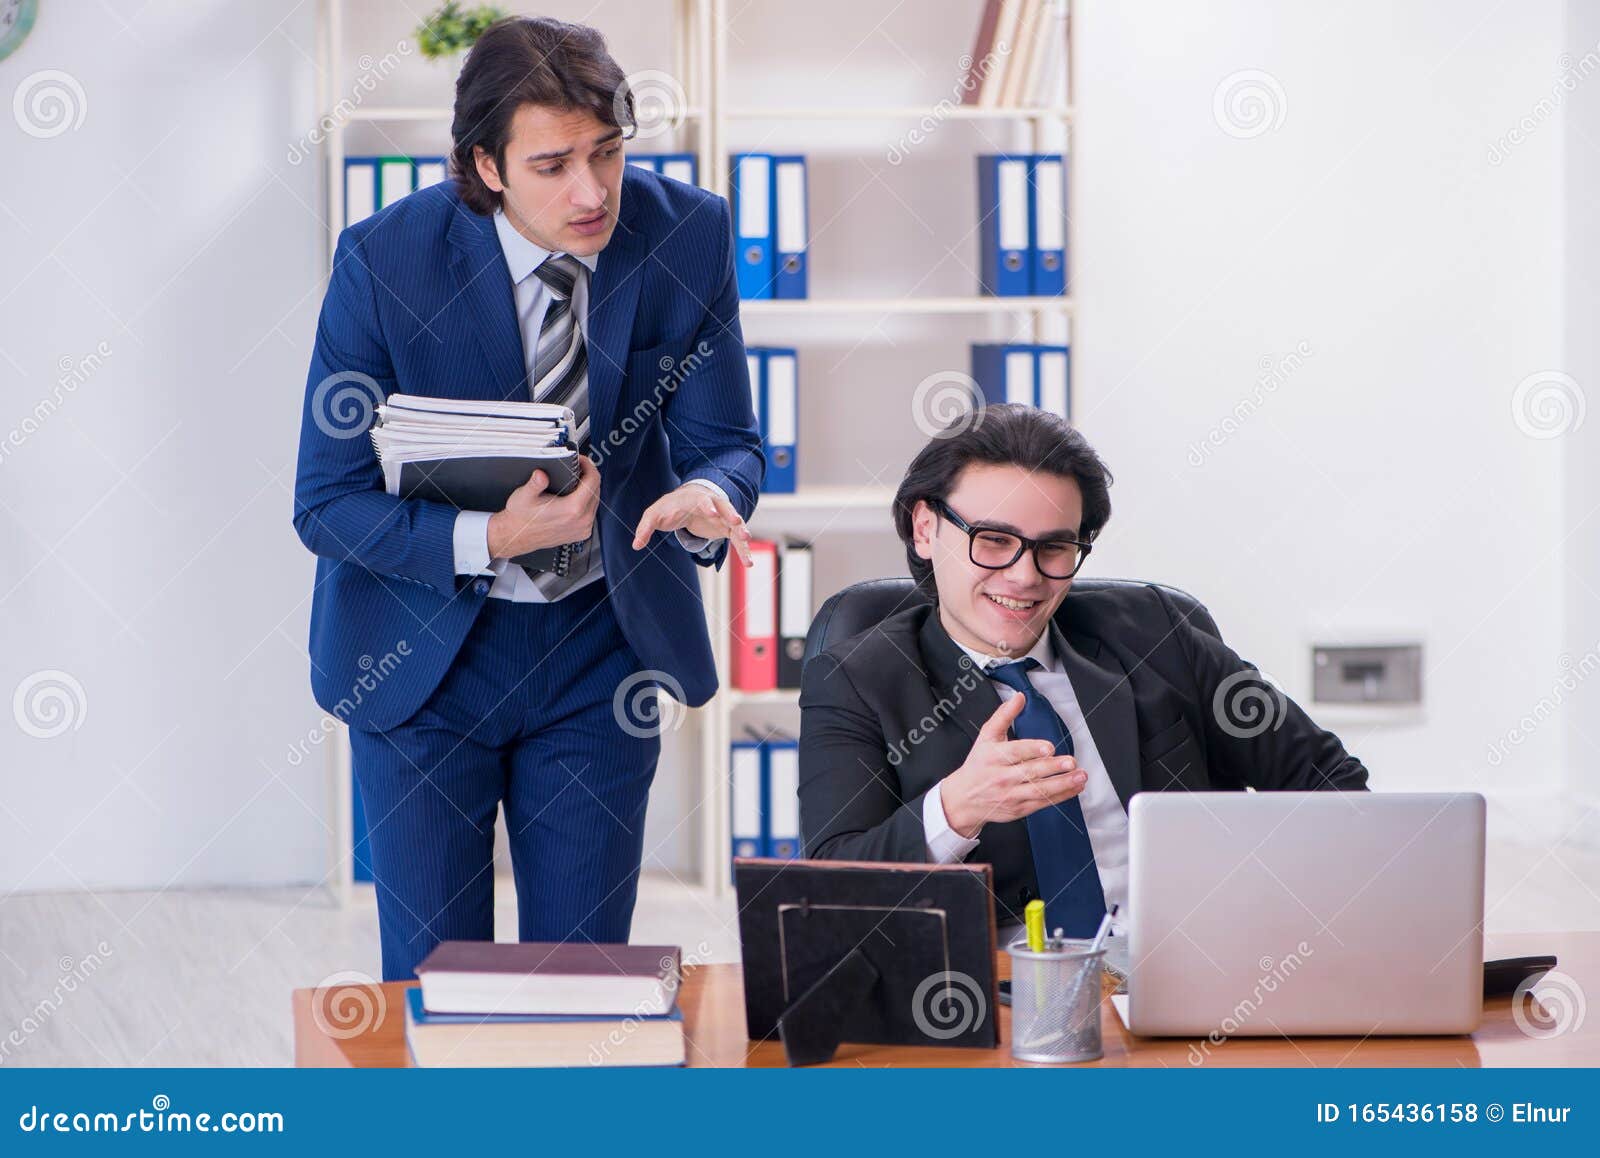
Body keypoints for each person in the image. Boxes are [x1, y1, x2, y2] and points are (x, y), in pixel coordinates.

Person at [292, 16, 763, 980]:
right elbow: (325, 502)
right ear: (487, 166)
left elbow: (728, 444)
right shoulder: (386, 261)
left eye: (608, 153)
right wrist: (490, 536)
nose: (591, 193)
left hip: (601, 651)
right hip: (425, 663)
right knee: (433, 985)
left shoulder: (688, 232)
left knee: (585, 984)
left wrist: (712, 496)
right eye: (552, 166)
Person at [798, 404, 1366, 940]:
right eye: (993, 541)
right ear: (925, 529)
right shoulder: (855, 679)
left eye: (1054, 547)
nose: (1024, 577)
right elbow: (831, 892)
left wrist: (1260, 916)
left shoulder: (1154, 634)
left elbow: (1332, 785)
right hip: (994, 999)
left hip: (1187, 971)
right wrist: (957, 808)